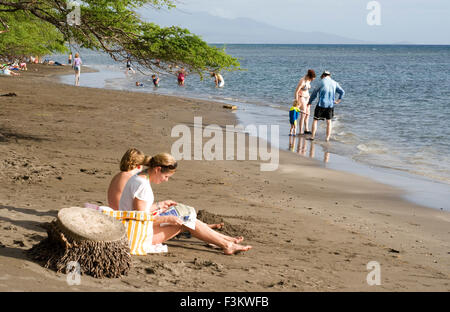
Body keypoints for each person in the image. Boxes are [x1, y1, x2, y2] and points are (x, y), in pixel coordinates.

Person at [119, 152, 252, 255]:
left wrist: (160, 205)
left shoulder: (139, 178)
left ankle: (224, 241)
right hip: (136, 237)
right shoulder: (142, 185)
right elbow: (140, 218)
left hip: (132, 230)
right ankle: (226, 244)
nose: (166, 180)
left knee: (185, 216)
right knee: (185, 221)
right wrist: (168, 218)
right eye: (166, 177)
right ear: (158, 169)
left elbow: (139, 211)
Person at [308, 71, 345, 142]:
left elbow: (314, 94)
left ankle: (312, 137)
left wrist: (310, 102)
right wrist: (338, 100)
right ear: (329, 75)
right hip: (330, 105)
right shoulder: (334, 83)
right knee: (329, 122)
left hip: (321, 104)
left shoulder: (321, 82)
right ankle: (327, 138)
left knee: (315, 120)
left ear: (323, 75)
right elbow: (342, 92)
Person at [294, 69, 316, 135]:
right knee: (303, 114)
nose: (313, 80)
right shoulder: (302, 81)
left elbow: (307, 89)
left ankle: (306, 129)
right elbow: (296, 91)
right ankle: (300, 131)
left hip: (307, 98)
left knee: (307, 114)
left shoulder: (309, 80)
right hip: (301, 97)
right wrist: (296, 100)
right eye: (312, 79)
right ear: (309, 76)